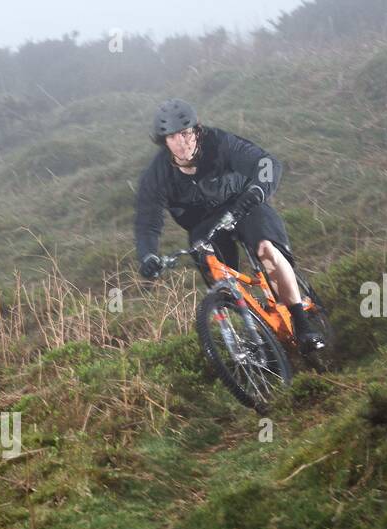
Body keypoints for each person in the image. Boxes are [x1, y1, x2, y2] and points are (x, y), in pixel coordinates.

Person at [134, 98, 325, 351]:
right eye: (172, 137)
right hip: (204, 225)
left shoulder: (219, 142)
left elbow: (266, 163)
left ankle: (302, 323)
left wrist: (257, 191)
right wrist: (147, 255)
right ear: (164, 142)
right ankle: (256, 336)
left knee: (267, 250)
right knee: (221, 284)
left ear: (197, 130)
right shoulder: (156, 175)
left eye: (185, 133)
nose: (181, 143)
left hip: (244, 205)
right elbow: (147, 222)